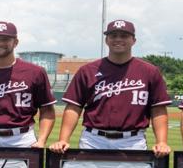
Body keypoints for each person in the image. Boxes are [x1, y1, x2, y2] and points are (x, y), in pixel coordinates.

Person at [50, 20, 172, 154]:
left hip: (132, 141)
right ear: (106, 40)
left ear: (134, 40)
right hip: (93, 140)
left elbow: (158, 109)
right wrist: (63, 139)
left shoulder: (149, 71)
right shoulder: (88, 70)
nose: (118, 39)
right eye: (113, 36)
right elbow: (74, 107)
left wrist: (161, 142)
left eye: (124, 36)